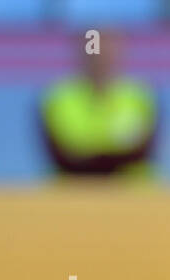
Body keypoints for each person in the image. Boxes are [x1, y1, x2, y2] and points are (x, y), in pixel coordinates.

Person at [39, 31, 157, 178]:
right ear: (82, 53)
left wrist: (91, 156)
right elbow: (62, 157)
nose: (101, 58)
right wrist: (112, 157)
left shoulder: (140, 97)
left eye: (108, 49)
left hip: (132, 194)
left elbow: (142, 152)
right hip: (75, 193)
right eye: (95, 51)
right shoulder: (58, 99)